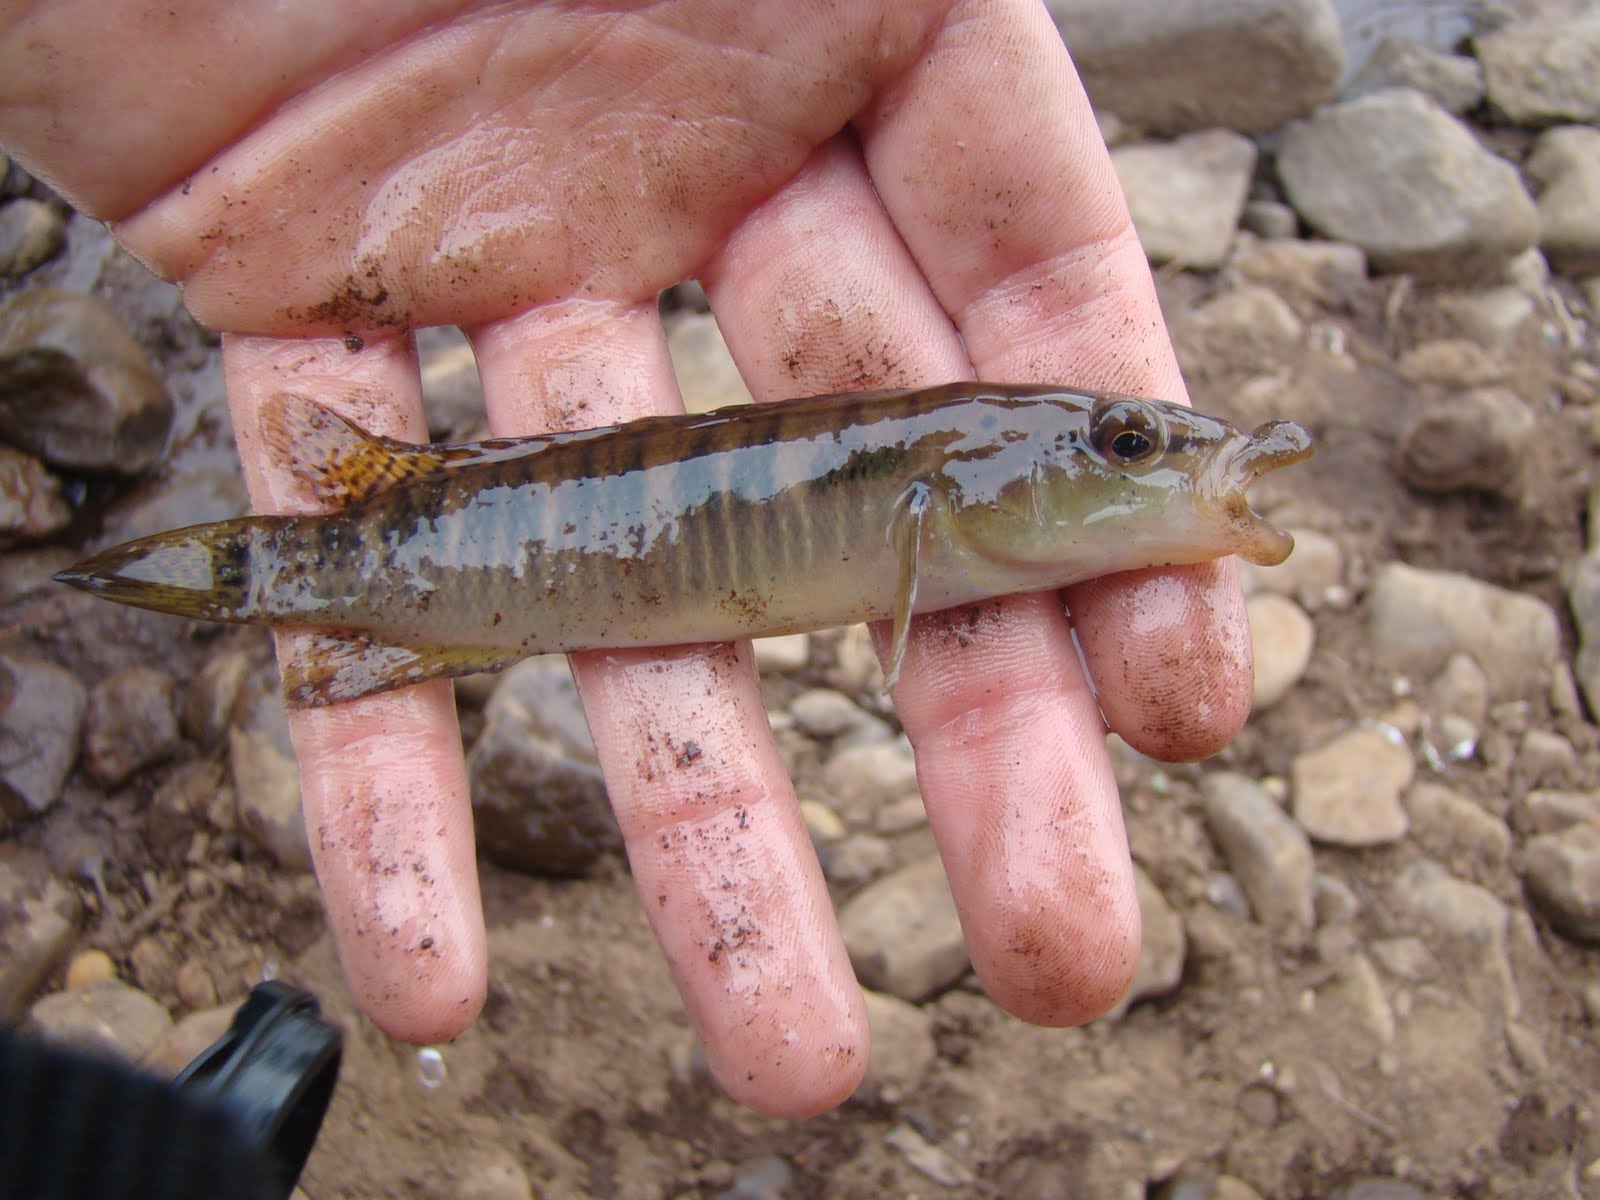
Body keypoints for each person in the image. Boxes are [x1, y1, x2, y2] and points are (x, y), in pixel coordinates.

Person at [0, 0, 1254, 1117]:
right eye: (1127, 443)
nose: (1145, 458)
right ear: (957, 485)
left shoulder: (969, 511)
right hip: (471, 532)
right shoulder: (946, 477)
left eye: (1125, 441)